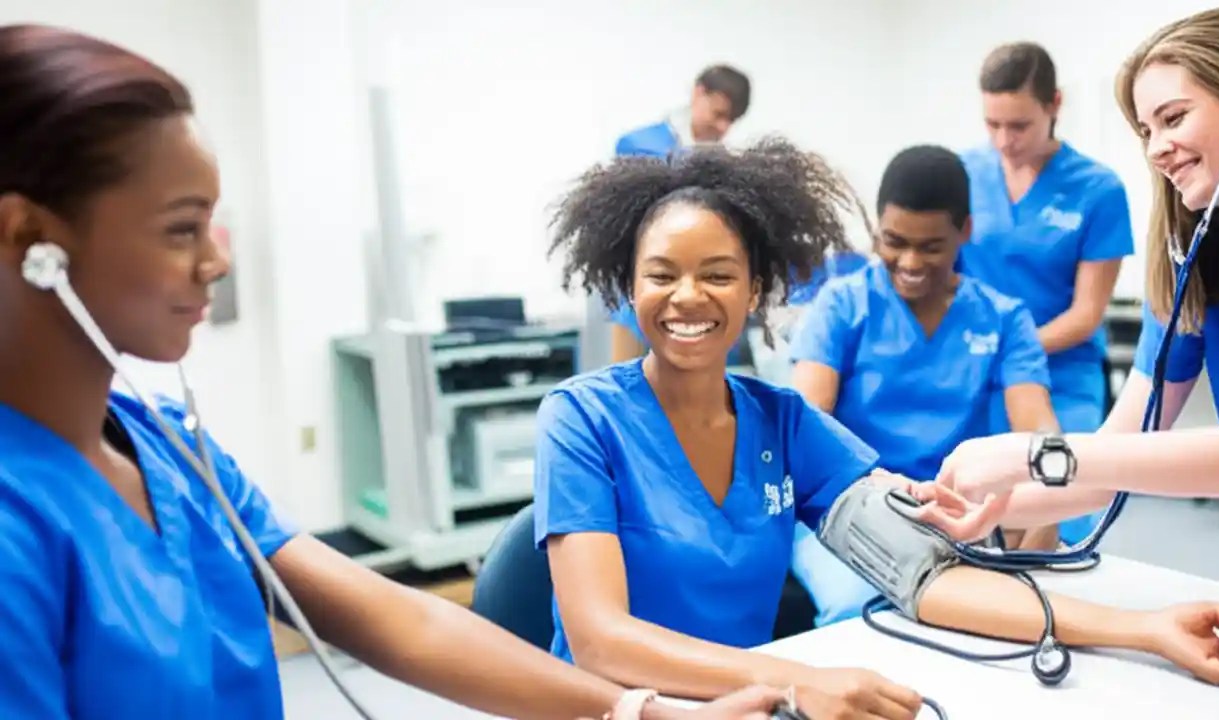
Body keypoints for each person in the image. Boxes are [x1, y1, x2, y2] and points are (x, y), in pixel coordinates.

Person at [0, 24, 794, 720]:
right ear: (30, 238)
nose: (216, 262)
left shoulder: (164, 447)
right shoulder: (19, 524)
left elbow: (401, 622)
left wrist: (639, 711)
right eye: (181, 230)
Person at [534, 136, 1219, 720]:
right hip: (620, 709)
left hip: (750, 703)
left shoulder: (783, 425)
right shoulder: (581, 419)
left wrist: (1142, 630)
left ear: (756, 286)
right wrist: (801, 679)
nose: (687, 296)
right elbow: (601, 640)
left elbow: (926, 577)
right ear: (626, 285)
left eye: (718, 273)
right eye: (661, 274)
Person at [919, 5, 1219, 604]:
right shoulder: (1202, 262)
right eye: (1146, 131)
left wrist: (1031, 452)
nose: (1158, 149)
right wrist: (977, 511)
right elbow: (1108, 465)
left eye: (1174, 118)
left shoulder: (1095, 194)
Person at [786, 145, 1063, 628]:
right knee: (862, 609)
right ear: (876, 230)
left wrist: (1048, 502)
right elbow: (805, 426)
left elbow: (1038, 430)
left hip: (953, 508)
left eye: (931, 246)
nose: (909, 261)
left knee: (1013, 605)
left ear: (965, 232)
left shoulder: (1002, 317)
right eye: (893, 241)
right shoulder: (842, 306)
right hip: (849, 501)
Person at [959, 42, 1136, 544]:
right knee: (970, 523)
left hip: (1063, 376)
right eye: (992, 125)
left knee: (1060, 516)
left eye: (1019, 126)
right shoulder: (963, 173)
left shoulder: (1098, 189)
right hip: (975, 376)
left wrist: (1010, 348)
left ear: (1054, 105)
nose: (1004, 140)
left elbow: (1086, 314)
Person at [608, 65, 752, 364]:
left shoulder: (726, 162)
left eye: (732, 120)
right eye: (718, 114)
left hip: (700, 297)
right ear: (698, 94)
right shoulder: (639, 146)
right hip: (642, 293)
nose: (724, 127)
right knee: (632, 392)